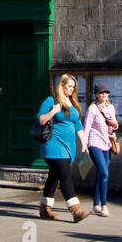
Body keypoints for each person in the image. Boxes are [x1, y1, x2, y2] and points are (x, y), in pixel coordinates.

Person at [37, 74, 90, 222]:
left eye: (74, 87)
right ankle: (75, 210)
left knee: (54, 176)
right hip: (53, 145)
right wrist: (52, 112)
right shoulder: (51, 100)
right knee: (65, 175)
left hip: (68, 147)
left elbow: (77, 124)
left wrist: (84, 143)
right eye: (70, 86)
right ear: (61, 86)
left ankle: (44, 208)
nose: (72, 89)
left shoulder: (72, 103)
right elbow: (40, 120)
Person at [84, 82, 119, 216]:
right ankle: (104, 205)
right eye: (101, 93)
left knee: (101, 173)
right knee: (104, 173)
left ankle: (95, 204)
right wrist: (85, 144)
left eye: (106, 93)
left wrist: (115, 124)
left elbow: (114, 125)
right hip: (94, 142)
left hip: (107, 143)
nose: (104, 95)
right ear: (96, 95)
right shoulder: (92, 109)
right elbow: (86, 126)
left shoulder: (111, 107)